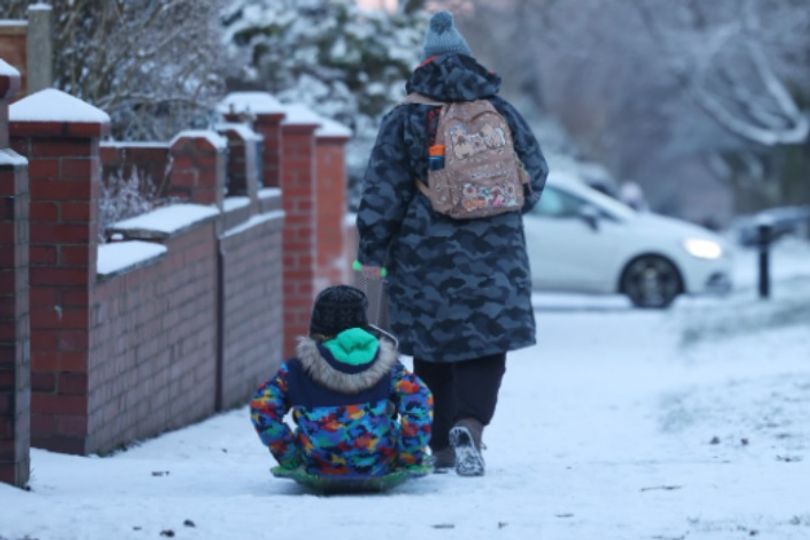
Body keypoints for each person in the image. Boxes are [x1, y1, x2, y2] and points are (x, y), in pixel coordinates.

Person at [356, 11, 548, 476]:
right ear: (469, 60)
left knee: (432, 347)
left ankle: (441, 444)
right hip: (497, 254)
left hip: (425, 254)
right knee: (487, 342)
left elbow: (383, 192)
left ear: (424, 63)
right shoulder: (500, 111)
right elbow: (536, 173)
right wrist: (499, 212)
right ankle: (470, 425)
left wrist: (372, 253)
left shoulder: (406, 117)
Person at [249, 285, 433, 478]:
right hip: (379, 463)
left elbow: (263, 406)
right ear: (362, 321)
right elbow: (420, 400)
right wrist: (409, 457)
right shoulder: (388, 366)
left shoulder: (297, 369)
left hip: (317, 464)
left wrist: (289, 457)